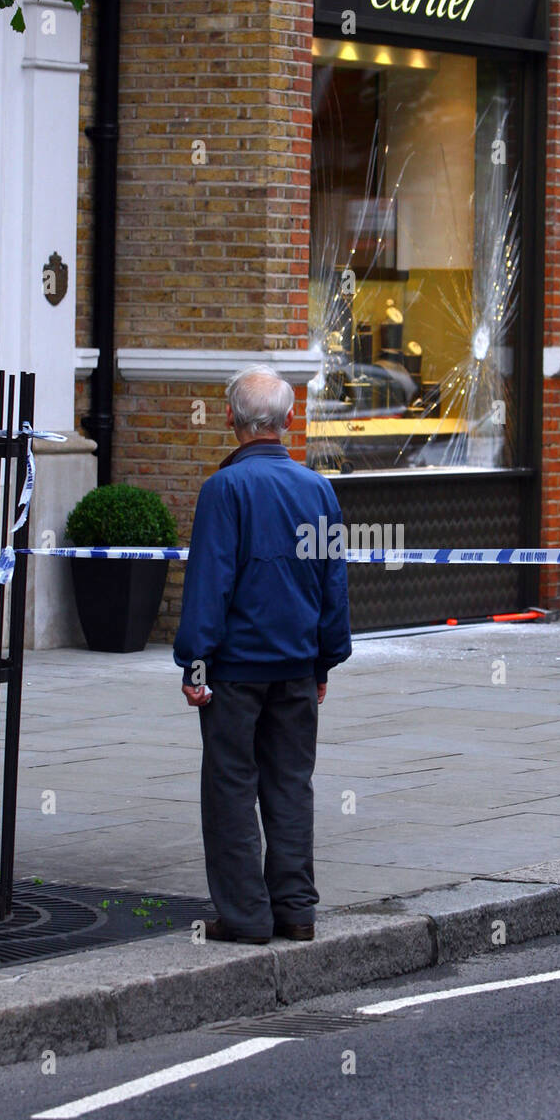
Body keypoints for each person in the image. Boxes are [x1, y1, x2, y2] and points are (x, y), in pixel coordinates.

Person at [173, 365, 352, 944]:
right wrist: (324, 661)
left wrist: (195, 663)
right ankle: (296, 911)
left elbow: (210, 583)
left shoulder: (224, 490)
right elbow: (332, 585)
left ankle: (246, 917)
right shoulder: (318, 489)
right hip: (297, 667)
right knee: (290, 787)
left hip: (235, 672)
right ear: (288, 421)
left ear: (231, 420)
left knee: (230, 789)